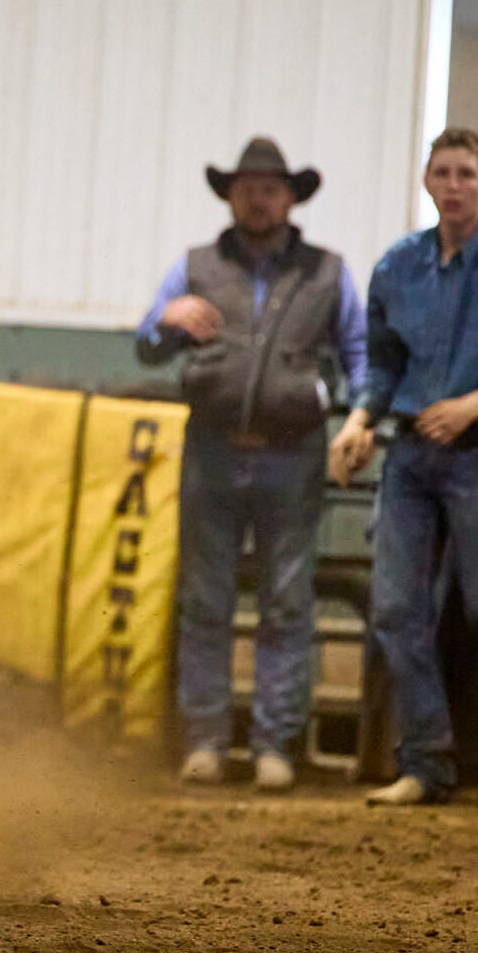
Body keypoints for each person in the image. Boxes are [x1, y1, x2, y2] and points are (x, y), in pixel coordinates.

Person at [330, 127, 478, 807]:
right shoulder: (399, 265)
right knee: (398, 610)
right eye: (444, 172)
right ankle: (427, 764)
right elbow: (382, 363)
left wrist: (473, 404)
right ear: (428, 182)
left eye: (468, 172)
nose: (456, 183)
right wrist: (359, 420)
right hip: (410, 454)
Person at [137, 137, 365, 793]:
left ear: (291, 197)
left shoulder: (328, 271)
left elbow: (359, 350)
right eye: (246, 187)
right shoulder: (195, 266)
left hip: (293, 458)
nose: (257, 197)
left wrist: (360, 414)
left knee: (287, 604)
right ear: (230, 194)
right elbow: (147, 342)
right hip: (211, 451)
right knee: (204, 600)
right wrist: (166, 319)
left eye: (269, 187)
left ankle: (274, 744)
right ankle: (206, 740)